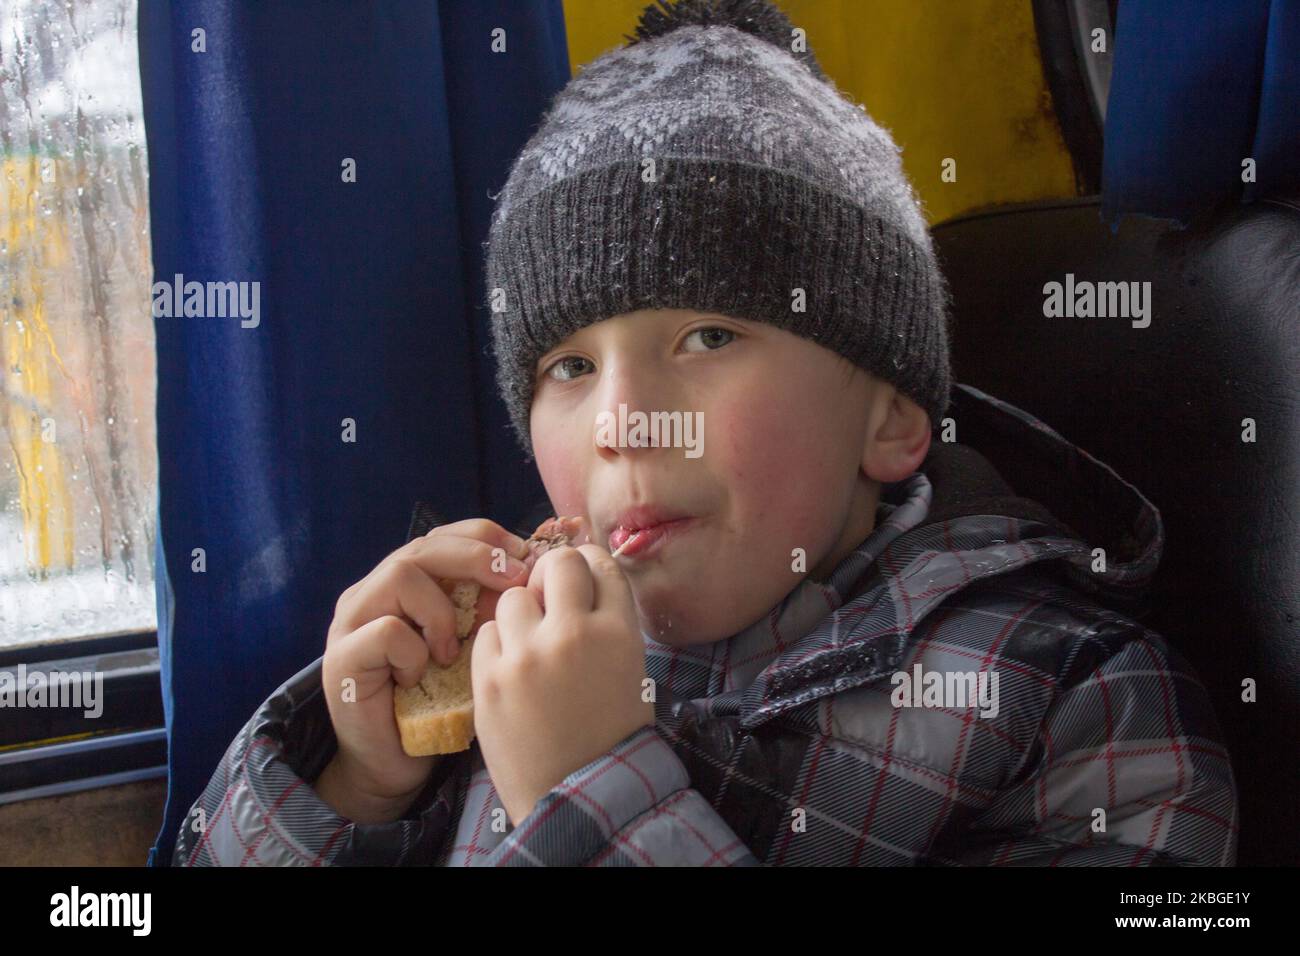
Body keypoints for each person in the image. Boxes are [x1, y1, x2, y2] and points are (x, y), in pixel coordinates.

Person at [173, 0, 1237, 866]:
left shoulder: (1077, 701)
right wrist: (354, 779)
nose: (623, 422)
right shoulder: (501, 648)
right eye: (570, 367)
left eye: (709, 333)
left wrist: (591, 795)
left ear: (892, 418)